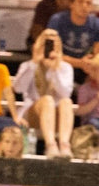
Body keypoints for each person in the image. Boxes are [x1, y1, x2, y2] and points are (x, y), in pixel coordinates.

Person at [15, 29, 74, 158]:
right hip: (33, 112)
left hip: (58, 114)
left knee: (66, 102)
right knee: (47, 100)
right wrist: (35, 62)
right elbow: (19, 88)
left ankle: (64, 145)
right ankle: (51, 145)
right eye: (45, 42)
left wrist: (54, 69)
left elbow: (65, 93)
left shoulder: (65, 68)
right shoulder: (28, 65)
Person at [46, 0, 99, 76]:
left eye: (88, 3)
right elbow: (50, 52)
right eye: (80, 1)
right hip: (61, 64)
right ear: (71, 4)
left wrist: (88, 63)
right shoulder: (57, 20)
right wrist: (79, 63)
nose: (84, 6)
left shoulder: (97, 24)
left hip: (86, 67)